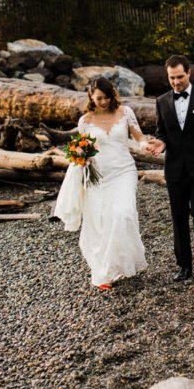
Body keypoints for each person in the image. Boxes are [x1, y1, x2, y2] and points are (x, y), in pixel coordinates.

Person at [53, 78, 151, 290]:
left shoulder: (125, 112)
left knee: (123, 214)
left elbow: (139, 137)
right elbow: (84, 148)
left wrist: (146, 146)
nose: (104, 102)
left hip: (124, 171)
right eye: (99, 98)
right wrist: (81, 157)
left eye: (106, 97)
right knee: (101, 222)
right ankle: (105, 271)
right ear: (91, 97)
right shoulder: (85, 121)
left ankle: (125, 261)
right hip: (99, 175)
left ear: (112, 95)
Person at [146, 55, 194, 282]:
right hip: (174, 170)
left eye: (180, 77)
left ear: (189, 73)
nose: (176, 82)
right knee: (178, 217)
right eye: (172, 78)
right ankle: (184, 265)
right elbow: (162, 132)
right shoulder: (161, 101)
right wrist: (161, 143)